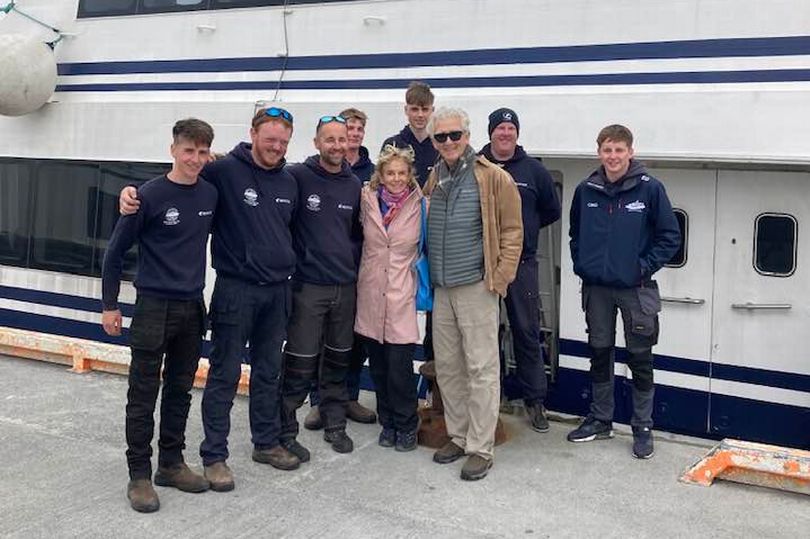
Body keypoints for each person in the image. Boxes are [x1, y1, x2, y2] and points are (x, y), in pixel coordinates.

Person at [119, 106, 301, 492]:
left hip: (278, 291)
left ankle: (266, 442)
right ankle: (214, 456)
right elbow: (177, 178)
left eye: (283, 142)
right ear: (253, 134)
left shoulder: (289, 181)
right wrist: (131, 193)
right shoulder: (224, 170)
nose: (277, 147)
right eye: (270, 139)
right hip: (236, 289)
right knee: (224, 373)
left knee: (269, 371)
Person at [102, 118, 217, 513]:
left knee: (180, 391)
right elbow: (114, 253)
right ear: (173, 150)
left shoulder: (210, 193)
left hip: (192, 307)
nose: (195, 159)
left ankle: (171, 463)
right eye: (189, 151)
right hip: (153, 306)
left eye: (202, 152)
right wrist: (110, 305)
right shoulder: (147, 196)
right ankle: (139, 475)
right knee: (142, 394)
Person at [567, 124, 680, 459]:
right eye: (607, 150)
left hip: (635, 289)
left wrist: (642, 268)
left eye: (619, 150)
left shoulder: (650, 189)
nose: (613, 156)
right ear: (599, 152)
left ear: (631, 152)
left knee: (640, 358)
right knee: (599, 353)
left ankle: (642, 427)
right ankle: (601, 420)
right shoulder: (585, 190)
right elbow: (575, 234)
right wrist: (582, 264)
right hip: (597, 289)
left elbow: (670, 237)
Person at [423, 107, 523, 481]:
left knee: (481, 368)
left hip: (477, 286)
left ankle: (480, 447)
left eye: (455, 135)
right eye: (441, 136)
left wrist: (500, 278)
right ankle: (459, 435)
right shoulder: (435, 176)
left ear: (466, 136)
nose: (448, 142)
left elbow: (513, 231)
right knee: (449, 367)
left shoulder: (493, 177)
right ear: (434, 141)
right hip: (442, 289)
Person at [280, 114, 363, 455]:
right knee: (299, 363)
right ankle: (284, 432)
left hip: (345, 286)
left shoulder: (354, 184)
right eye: (329, 139)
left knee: (338, 361)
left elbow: (357, 235)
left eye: (342, 139)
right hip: (308, 287)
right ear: (316, 143)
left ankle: (335, 425)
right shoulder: (297, 176)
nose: (337, 145)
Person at [479, 108, 561, 433]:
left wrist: (523, 232)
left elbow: (550, 210)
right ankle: (490, 396)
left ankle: (535, 400)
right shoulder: (475, 166)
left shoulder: (534, 170)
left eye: (510, 128)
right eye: (499, 128)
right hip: (482, 263)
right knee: (484, 333)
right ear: (490, 133)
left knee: (526, 331)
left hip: (521, 264)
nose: (505, 133)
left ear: (517, 133)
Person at [304, 107, 377, 431]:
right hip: (319, 274)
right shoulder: (310, 172)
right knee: (319, 340)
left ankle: (348, 396)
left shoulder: (371, 173)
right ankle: (317, 402)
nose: (354, 134)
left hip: (356, 271)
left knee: (351, 340)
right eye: (350, 128)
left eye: (359, 129)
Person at [355, 145, 423, 452]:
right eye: (390, 173)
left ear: (410, 176)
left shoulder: (421, 205)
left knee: (400, 369)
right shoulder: (366, 201)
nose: (396, 178)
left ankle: (407, 424)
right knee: (379, 367)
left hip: (400, 295)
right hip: (370, 294)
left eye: (402, 173)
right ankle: (388, 422)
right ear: (380, 176)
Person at [381, 81, 438, 188]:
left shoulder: (440, 146)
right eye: (415, 109)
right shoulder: (392, 145)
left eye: (425, 109)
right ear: (406, 110)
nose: (420, 115)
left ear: (432, 110)